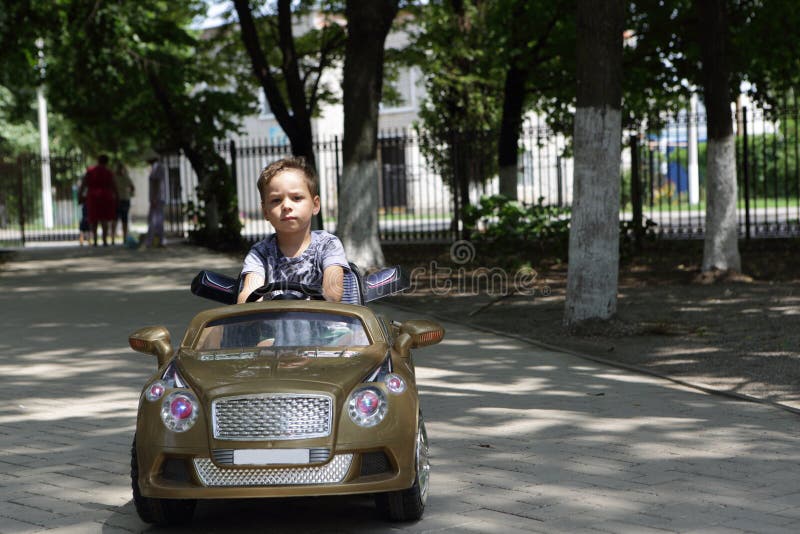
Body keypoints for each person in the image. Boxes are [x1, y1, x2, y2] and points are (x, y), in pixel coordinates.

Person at [237, 157, 347, 304]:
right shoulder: (260, 253)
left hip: (324, 323)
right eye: (276, 200)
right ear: (265, 211)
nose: (286, 206)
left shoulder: (328, 245)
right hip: (272, 324)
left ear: (315, 205)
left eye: (296, 198)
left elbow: (332, 294)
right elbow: (248, 296)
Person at [80, 154, 117, 246]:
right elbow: (113, 185)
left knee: (94, 219)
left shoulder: (91, 171)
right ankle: (104, 240)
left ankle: (95, 240)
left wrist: (80, 195)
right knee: (104, 219)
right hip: (105, 196)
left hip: (93, 197)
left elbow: (84, 184)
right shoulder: (108, 172)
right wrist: (117, 196)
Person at [143, 153, 167, 248]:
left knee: (154, 220)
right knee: (156, 219)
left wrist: (154, 198)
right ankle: (158, 240)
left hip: (157, 198)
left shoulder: (157, 167)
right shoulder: (157, 167)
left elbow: (156, 183)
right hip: (158, 198)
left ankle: (153, 240)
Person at [112, 161, 135, 245]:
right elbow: (132, 187)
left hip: (118, 199)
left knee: (116, 219)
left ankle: (114, 239)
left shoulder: (114, 178)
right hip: (124, 199)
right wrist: (130, 194)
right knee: (122, 219)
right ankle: (123, 238)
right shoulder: (125, 177)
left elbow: (132, 187)